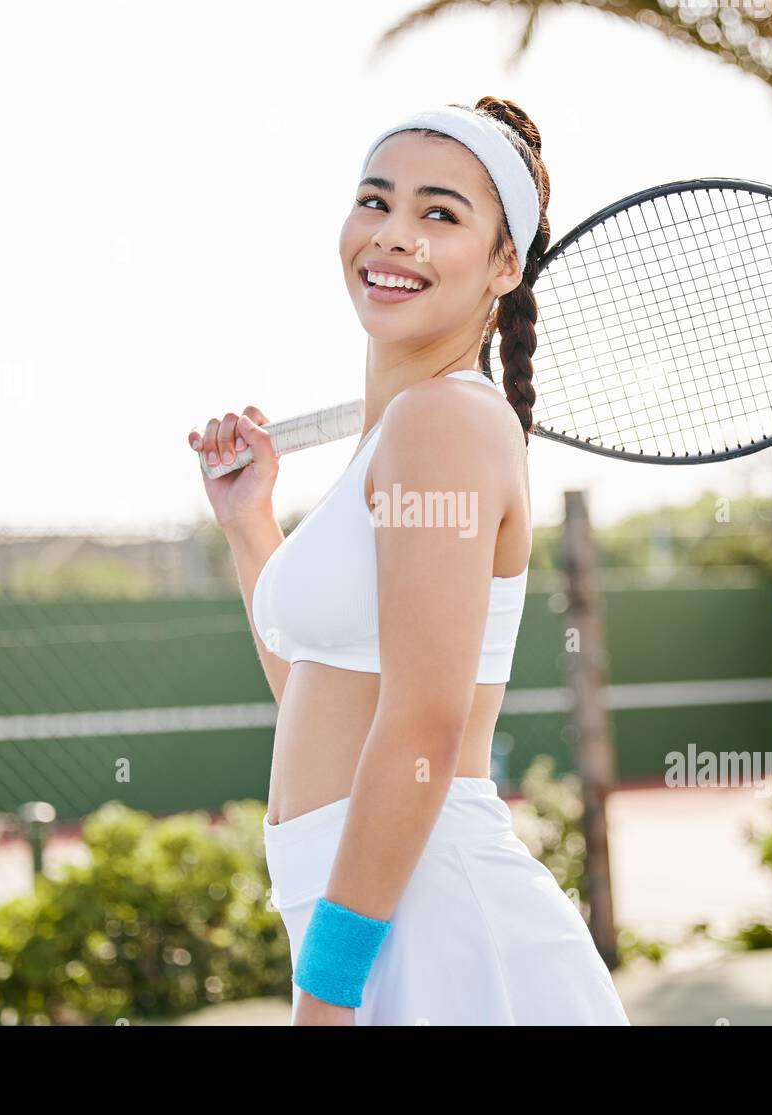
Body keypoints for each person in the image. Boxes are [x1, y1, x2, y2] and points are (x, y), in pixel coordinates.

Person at [189, 97, 628, 1026]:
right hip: (371, 910)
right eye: (375, 201)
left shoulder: (444, 422)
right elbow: (323, 687)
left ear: (505, 263)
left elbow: (425, 725)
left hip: (438, 925)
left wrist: (327, 990)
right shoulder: (401, 435)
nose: (394, 237)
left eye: (440, 214)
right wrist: (247, 522)